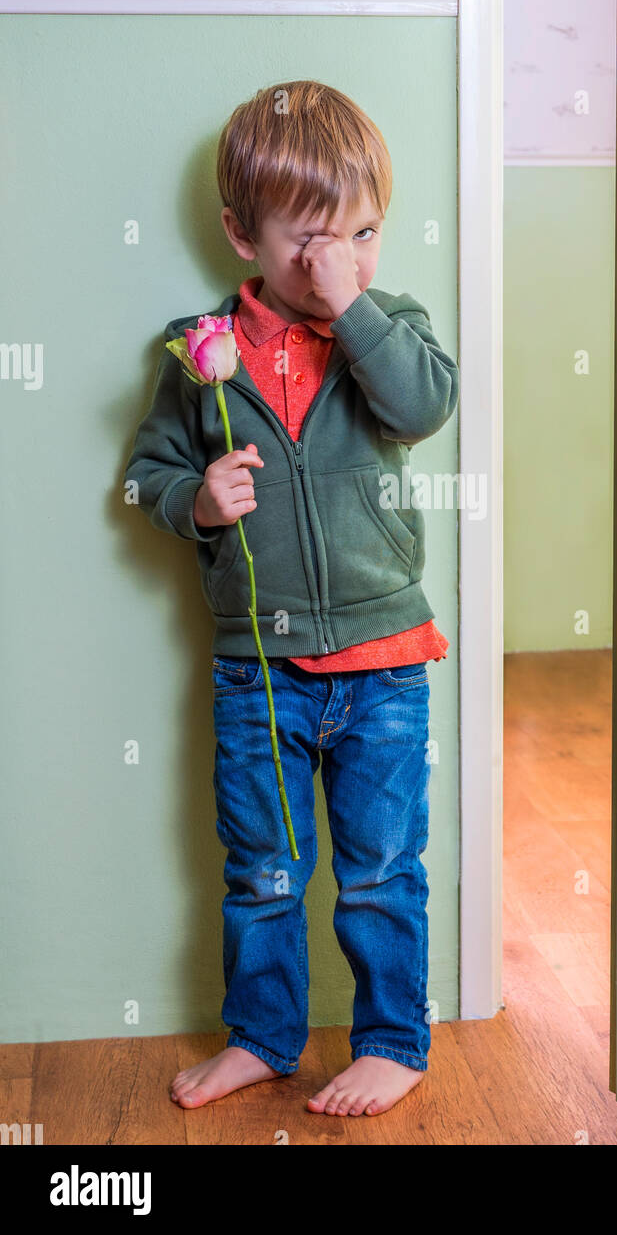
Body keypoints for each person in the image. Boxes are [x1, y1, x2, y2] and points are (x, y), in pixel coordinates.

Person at [124, 79, 459, 1117]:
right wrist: (198, 501)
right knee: (262, 869)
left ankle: (394, 1041)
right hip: (257, 672)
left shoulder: (387, 324)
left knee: (378, 870)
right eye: (312, 241)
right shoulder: (198, 356)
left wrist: (353, 303)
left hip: (384, 666)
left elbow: (425, 404)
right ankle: (262, 1037)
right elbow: (143, 476)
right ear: (243, 236)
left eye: (362, 234)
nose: (339, 262)